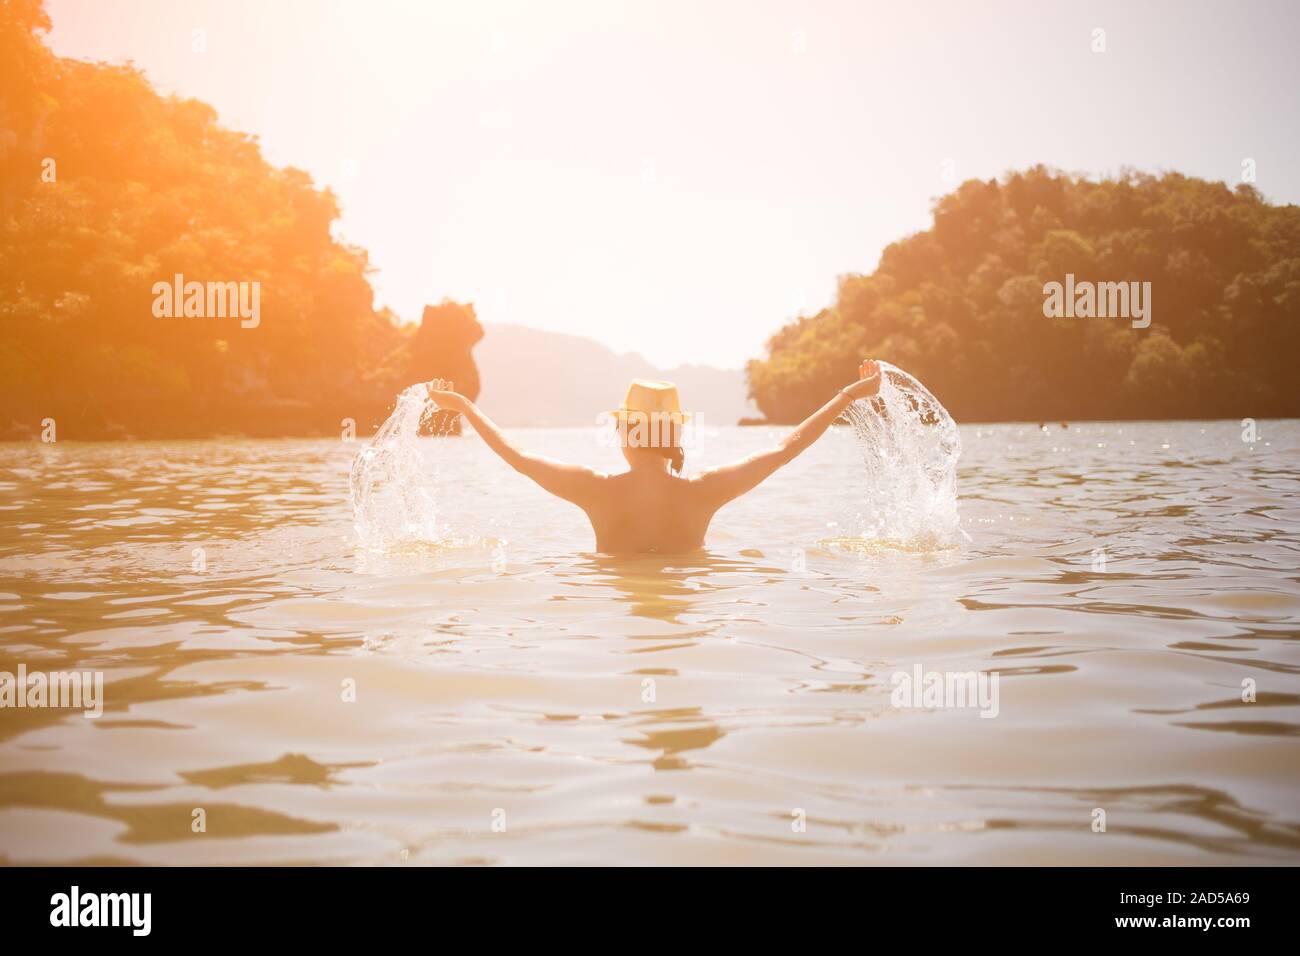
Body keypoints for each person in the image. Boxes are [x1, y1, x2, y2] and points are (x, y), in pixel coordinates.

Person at [425, 359, 881, 554]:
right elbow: (786, 448)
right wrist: (851, 393)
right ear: (674, 434)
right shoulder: (704, 492)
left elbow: (517, 455)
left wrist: (464, 406)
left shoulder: (595, 490)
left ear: (624, 431)